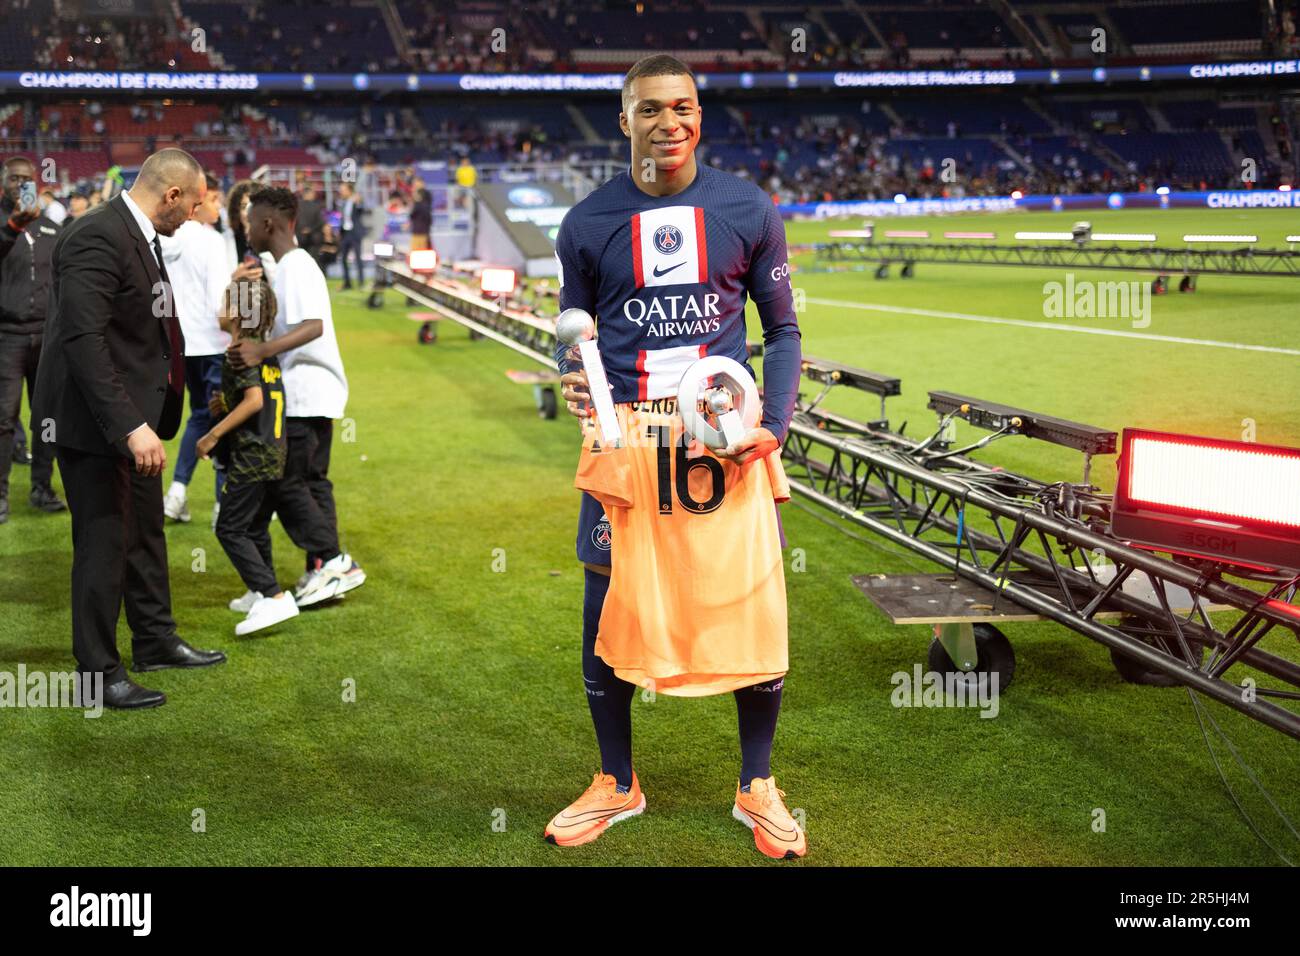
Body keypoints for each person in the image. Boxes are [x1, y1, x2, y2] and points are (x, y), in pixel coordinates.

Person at [546, 55, 805, 858]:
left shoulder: (746, 207)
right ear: (624, 120)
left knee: (750, 603)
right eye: (652, 109)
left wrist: (778, 427)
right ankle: (617, 782)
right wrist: (575, 388)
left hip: (722, 440)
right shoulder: (586, 224)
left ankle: (756, 783)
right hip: (626, 444)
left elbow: (784, 331)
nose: (671, 123)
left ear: (701, 116)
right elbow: (576, 336)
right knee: (606, 605)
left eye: (684, 108)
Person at [32, 148, 228, 710]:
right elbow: (83, 341)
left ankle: (155, 639)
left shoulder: (135, 232)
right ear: (170, 196)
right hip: (96, 424)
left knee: (144, 531)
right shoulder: (96, 235)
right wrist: (128, 427)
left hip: (131, 417)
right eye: (191, 205)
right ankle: (97, 672)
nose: (193, 215)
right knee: (103, 541)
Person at [228, 186, 365, 607]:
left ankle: (335, 560)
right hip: (313, 391)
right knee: (312, 483)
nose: (245, 228)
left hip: (305, 392)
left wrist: (260, 350)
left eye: (250, 221)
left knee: (288, 482)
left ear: (268, 224)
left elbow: (313, 325)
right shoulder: (287, 264)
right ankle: (322, 568)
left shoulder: (297, 267)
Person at [199, 275, 298, 636]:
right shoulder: (262, 350)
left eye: (225, 303)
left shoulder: (239, 354)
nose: (218, 310)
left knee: (229, 528)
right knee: (255, 526)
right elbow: (256, 397)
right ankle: (260, 590)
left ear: (239, 313)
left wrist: (212, 435)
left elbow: (255, 401)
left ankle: (273, 596)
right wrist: (224, 404)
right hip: (275, 452)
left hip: (252, 456)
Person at [161, 172, 233, 526]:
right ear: (198, 204)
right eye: (214, 200)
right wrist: (237, 333)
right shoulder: (211, 241)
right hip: (213, 342)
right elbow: (221, 297)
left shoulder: (164, 237)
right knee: (223, 416)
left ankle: (176, 492)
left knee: (200, 415)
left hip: (180, 343)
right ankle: (223, 502)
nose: (218, 206)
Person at [0, 155, 66, 522]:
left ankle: (42, 488)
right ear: (4, 182)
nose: (20, 184)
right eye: (14, 178)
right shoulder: (3, 224)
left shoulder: (51, 229)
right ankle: (1, 496)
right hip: (6, 336)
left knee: (47, 418)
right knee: (3, 420)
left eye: (27, 178)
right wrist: (11, 227)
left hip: (45, 336)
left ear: (36, 183)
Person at [335, 181, 365, 289]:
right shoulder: (342, 202)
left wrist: (359, 202)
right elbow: (343, 218)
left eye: (343, 190)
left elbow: (362, 209)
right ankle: (347, 283)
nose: (341, 192)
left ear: (349, 190)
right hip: (345, 233)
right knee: (343, 258)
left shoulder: (356, 200)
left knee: (358, 258)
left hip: (355, 233)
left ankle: (361, 283)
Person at [295, 183, 325, 265]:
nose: (314, 195)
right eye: (313, 193)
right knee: (314, 261)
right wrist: (310, 229)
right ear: (308, 194)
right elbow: (321, 222)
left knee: (300, 261)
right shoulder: (316, 206)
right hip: (313, 238)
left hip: (299, 237)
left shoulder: (296, 205)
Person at [409, 186, 432, 251]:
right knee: (423, 250)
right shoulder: (427, 206)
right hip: (425, 231)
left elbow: (411, 215)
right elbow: (430, 220)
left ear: (420, 196)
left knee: (415, 251)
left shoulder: (417, 205)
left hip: (417, 232)